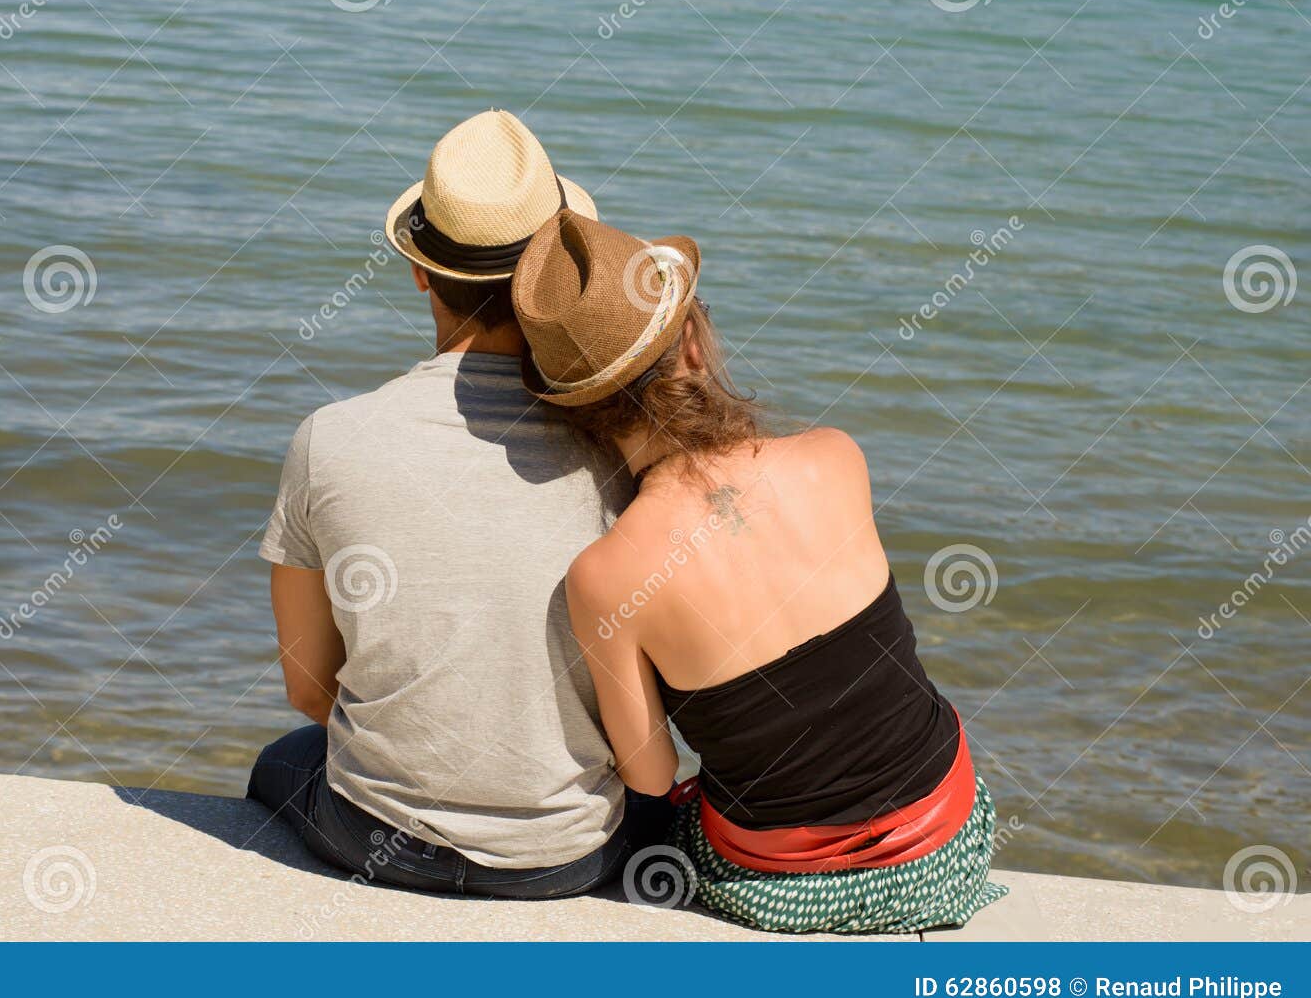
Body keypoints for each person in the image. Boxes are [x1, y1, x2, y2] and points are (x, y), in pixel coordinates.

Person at [509, 208, 1007, 932]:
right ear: (692, 343)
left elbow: (650, 777)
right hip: (947, 843)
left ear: (577, 414)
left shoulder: (605, 577)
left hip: (778, 883)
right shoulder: (836, 456)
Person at [250, 112, 671, 898]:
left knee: (280, 763)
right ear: (555, 276)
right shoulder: (622, 448)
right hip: (562, 859)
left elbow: (310, 689)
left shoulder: (329, 439)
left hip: (372, 836)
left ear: (419, 271)